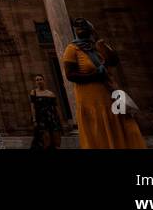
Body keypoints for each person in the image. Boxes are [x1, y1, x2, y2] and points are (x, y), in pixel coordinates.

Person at [62, 18, 146, 149]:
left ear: (90, 29)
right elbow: (70, 75)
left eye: (84, 27)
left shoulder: (97, 47)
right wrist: (95, 75)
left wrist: (99, 40)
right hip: (91, 100)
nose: (80, 29)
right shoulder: (72, 49)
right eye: (78, 28)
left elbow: (113, 60)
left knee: (128, 127)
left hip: (110, 94)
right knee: (99, 130)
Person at [29, 73, 62, 149]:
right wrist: (34, 120)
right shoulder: (34, 92)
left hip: (52, 119)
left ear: (44, 80)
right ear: (35, 82)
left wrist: (59, 120)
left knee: (57, 141)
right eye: (37, 80)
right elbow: (33, 107)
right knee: (46, 141)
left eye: (40, 79)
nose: (39, 81)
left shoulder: (50, 93)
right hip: (41, 119)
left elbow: (56, 107)